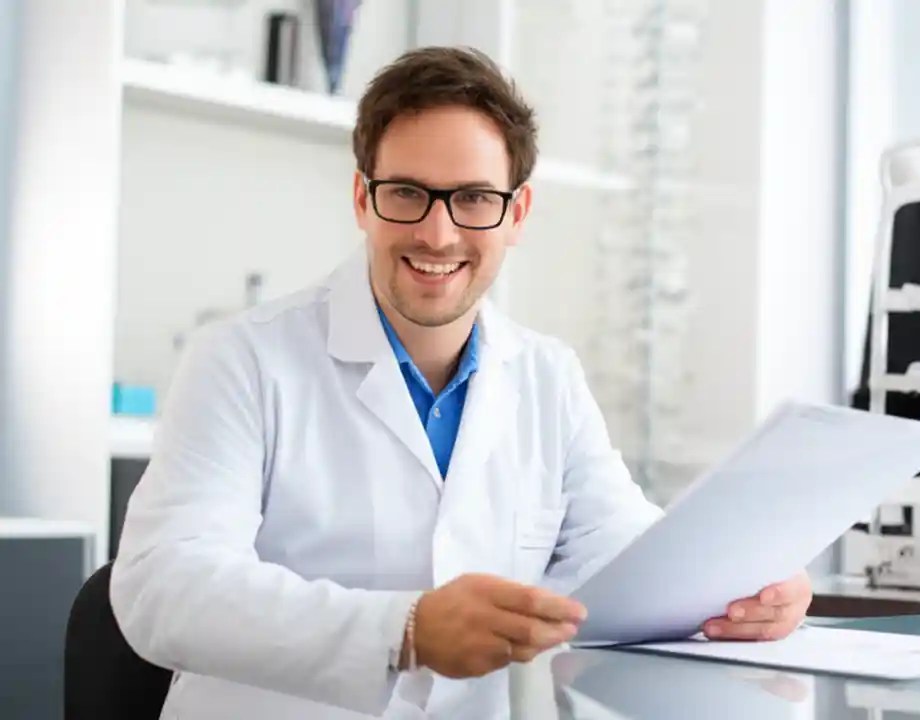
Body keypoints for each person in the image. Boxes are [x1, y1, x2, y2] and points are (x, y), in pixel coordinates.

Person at [110, 46, 812, 719]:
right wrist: (402, 629)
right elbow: (164, 588)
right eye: (408, 193)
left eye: (475, 197)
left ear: (516, 214)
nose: (439, 235)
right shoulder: (241, 359)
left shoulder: (547, 377)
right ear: (362, 198)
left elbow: (631, 559)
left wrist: (748, 588)